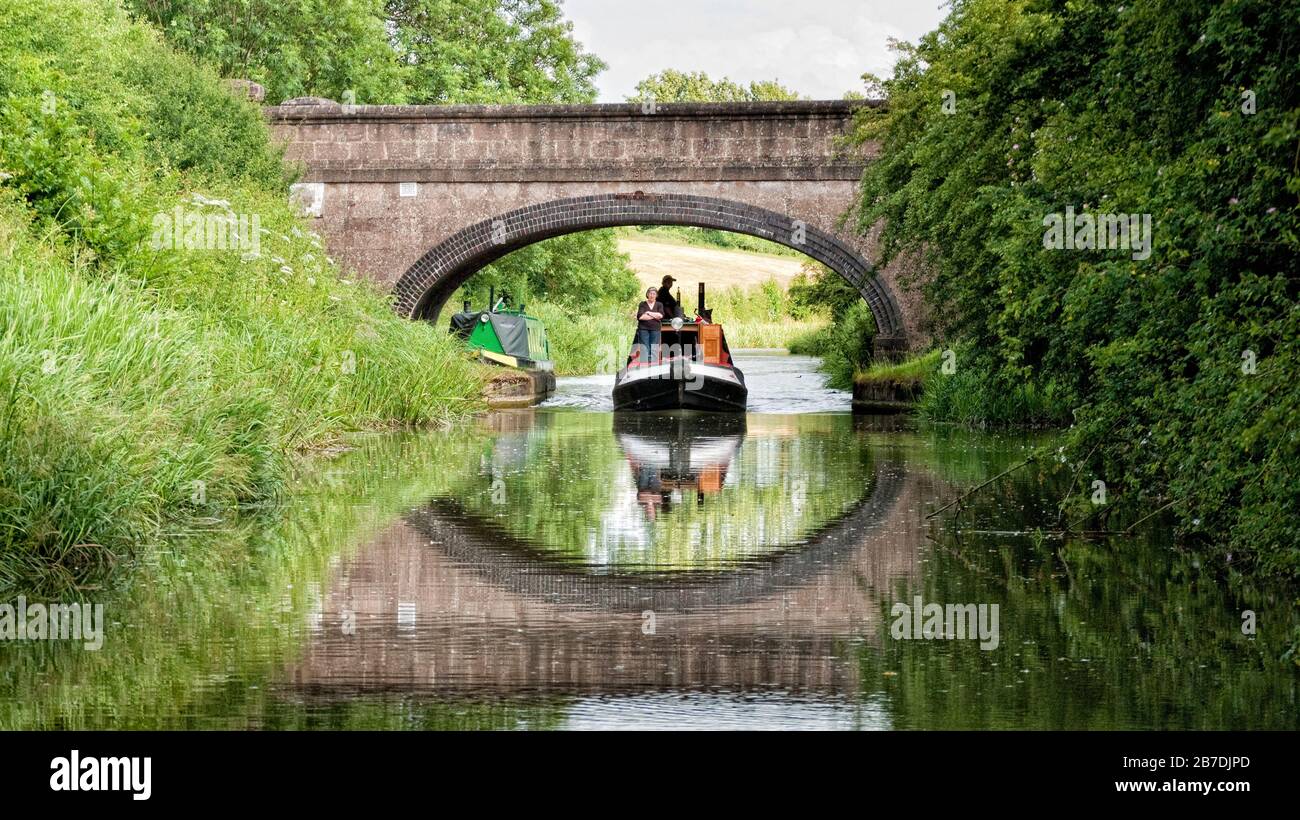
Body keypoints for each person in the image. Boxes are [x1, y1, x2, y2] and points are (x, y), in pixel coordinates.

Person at [633, 287, 664, 363]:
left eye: (654, 294)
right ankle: (644, 367)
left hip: (655, 329)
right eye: (650, 293)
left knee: (654, 348)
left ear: (656, 295)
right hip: (643, 329)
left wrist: (649, 313)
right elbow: (640, 317)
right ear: (647, 294)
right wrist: (655, 316)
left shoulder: (659, 304)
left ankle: (654, 367)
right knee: (644, 348)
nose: (652, 295)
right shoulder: (642, 304)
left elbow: (660, 315)